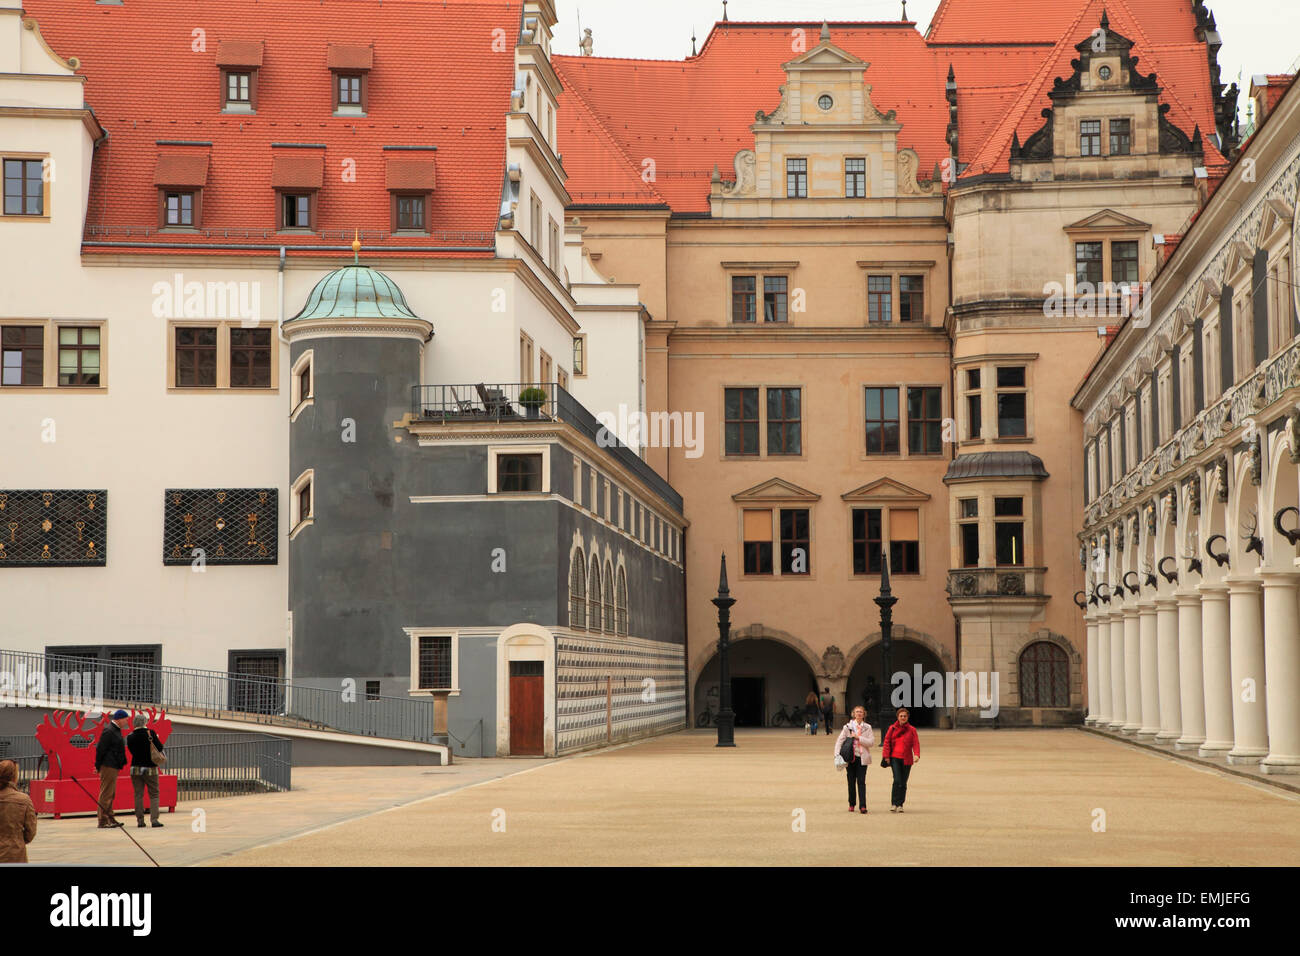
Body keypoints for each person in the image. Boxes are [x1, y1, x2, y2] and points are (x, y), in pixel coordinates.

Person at [126, 714, 165, 828]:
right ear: (145, 722)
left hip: (135, 768)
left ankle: (140, 821)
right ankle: (154, 820)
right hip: (150, 767)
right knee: (154, 794)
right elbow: (160, 747)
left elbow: (132, 751)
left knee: (138, 794)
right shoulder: (150, 733)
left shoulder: (130, 736)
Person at [93, 710, 130, 829]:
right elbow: (101, 749)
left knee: (110, 793)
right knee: (106, 793)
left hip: (113, 765)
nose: (127, 721)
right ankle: (103, 820)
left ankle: (110, 817)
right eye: (126, 719)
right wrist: (97, 765)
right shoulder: (109, 731)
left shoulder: (115, 730)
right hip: (108, 765)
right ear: (119, 719)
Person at [833, 705, 874, 814]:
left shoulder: (868, 727)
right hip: (850, 758)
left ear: (864, 714)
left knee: (861, 782)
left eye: (861, 712)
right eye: (857, 712)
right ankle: (852, 803)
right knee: (851, 782)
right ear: (854, 714)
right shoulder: (847, 727)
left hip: (862, 758)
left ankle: (863, 806)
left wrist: (858, 738)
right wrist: (837, 755)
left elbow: (871, 742)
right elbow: (839, 741)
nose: (859, 714)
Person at [881, 706, 921, 812]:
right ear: (897, 717)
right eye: (901, 716)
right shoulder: (892, 728)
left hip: (907, 759)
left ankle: (900, 804)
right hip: (895, 757)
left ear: (907, 717)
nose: (903, 717)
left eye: (905, 716)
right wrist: (886, 756)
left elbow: (915, 743)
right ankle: (894, 803)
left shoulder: (912, 730)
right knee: (897, 780)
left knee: (903, 782)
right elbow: (886, 742)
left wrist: (916, 754)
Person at [0, 759, 37, 863]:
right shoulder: (23, 800)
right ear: (13, 777)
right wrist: (17, 841)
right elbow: (30, 832)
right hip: (14, 854)